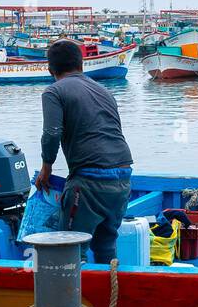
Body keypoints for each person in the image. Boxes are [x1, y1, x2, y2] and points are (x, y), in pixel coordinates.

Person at [34, 40, 133, 264]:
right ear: (82, 64)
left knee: (69, 249)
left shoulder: (54, 91)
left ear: (50, 70)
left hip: (89, 182)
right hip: (123, 179)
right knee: (106, 245)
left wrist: (46, 167)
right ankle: (108, 298)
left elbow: (51, 133)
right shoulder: (104, 91)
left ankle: (72, 298)